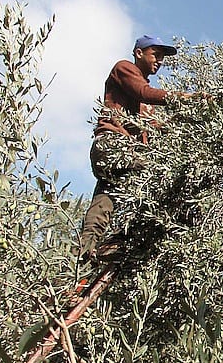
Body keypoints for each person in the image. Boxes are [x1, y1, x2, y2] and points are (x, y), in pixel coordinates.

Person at [78, 34, 188, 261]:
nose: (159, 61)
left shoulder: (146, 106)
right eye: (155, 55)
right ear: (139, 53)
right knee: (157, 178)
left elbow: (154, 130)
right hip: (113, 145)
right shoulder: (124, 68)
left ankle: (84, 254)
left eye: (162, 57)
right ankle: (123, 239)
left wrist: (181, 120)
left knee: (104, 201)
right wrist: (184, 98)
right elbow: (143, 92)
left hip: (120, 157)